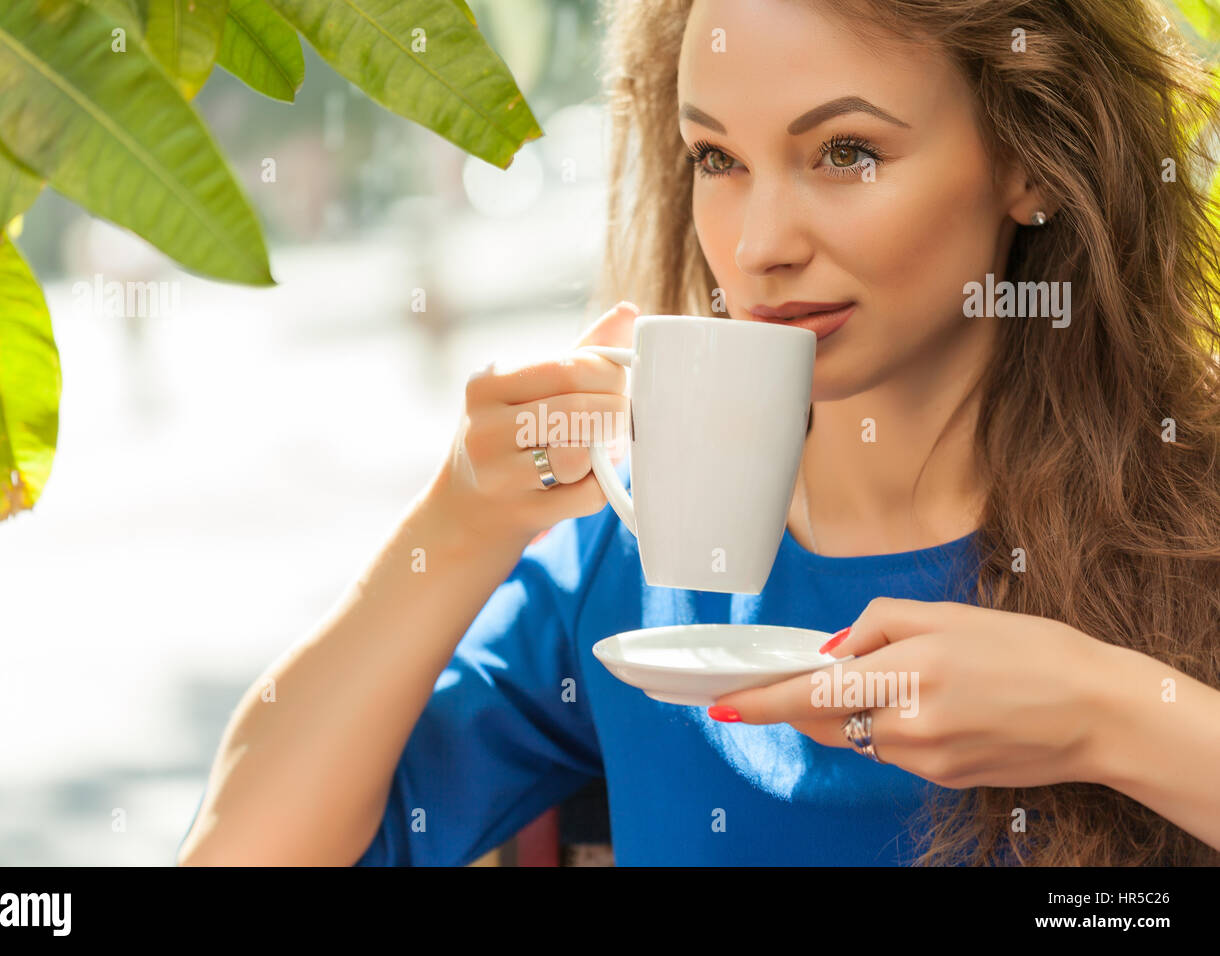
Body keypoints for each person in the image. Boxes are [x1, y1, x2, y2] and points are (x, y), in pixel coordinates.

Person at [176, 0, 1220, 866]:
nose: (759, 246)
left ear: (1029, 161)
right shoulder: (637, 571)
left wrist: (1109, 712)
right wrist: (459, 521)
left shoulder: (1196, 510)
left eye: (844, 151)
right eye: (716, 159)